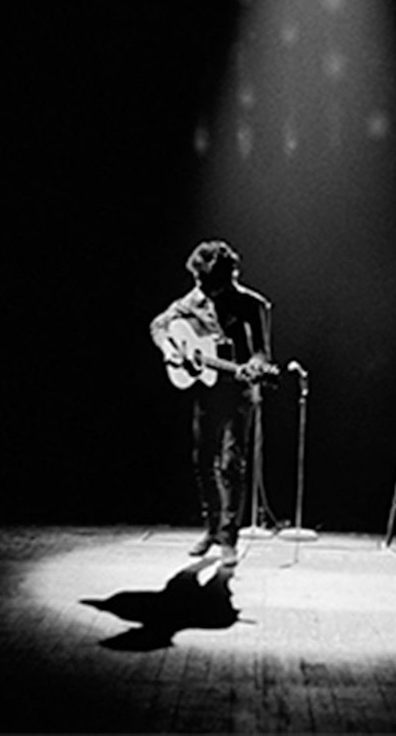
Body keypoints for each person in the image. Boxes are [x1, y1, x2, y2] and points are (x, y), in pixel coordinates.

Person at [150, 240, 273, 568]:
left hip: (239, 392)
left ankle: (229, 537)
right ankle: (211, 528)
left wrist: (254, 367)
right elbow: (159, 325)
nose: (201, 288)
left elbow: (262, 352)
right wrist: (169, 350)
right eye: (198, 282)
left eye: (208, 283)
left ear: (229, 277)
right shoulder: (194, 299)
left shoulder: (253, 305)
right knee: (203, 461)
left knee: (232, 464)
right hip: (206, 393)